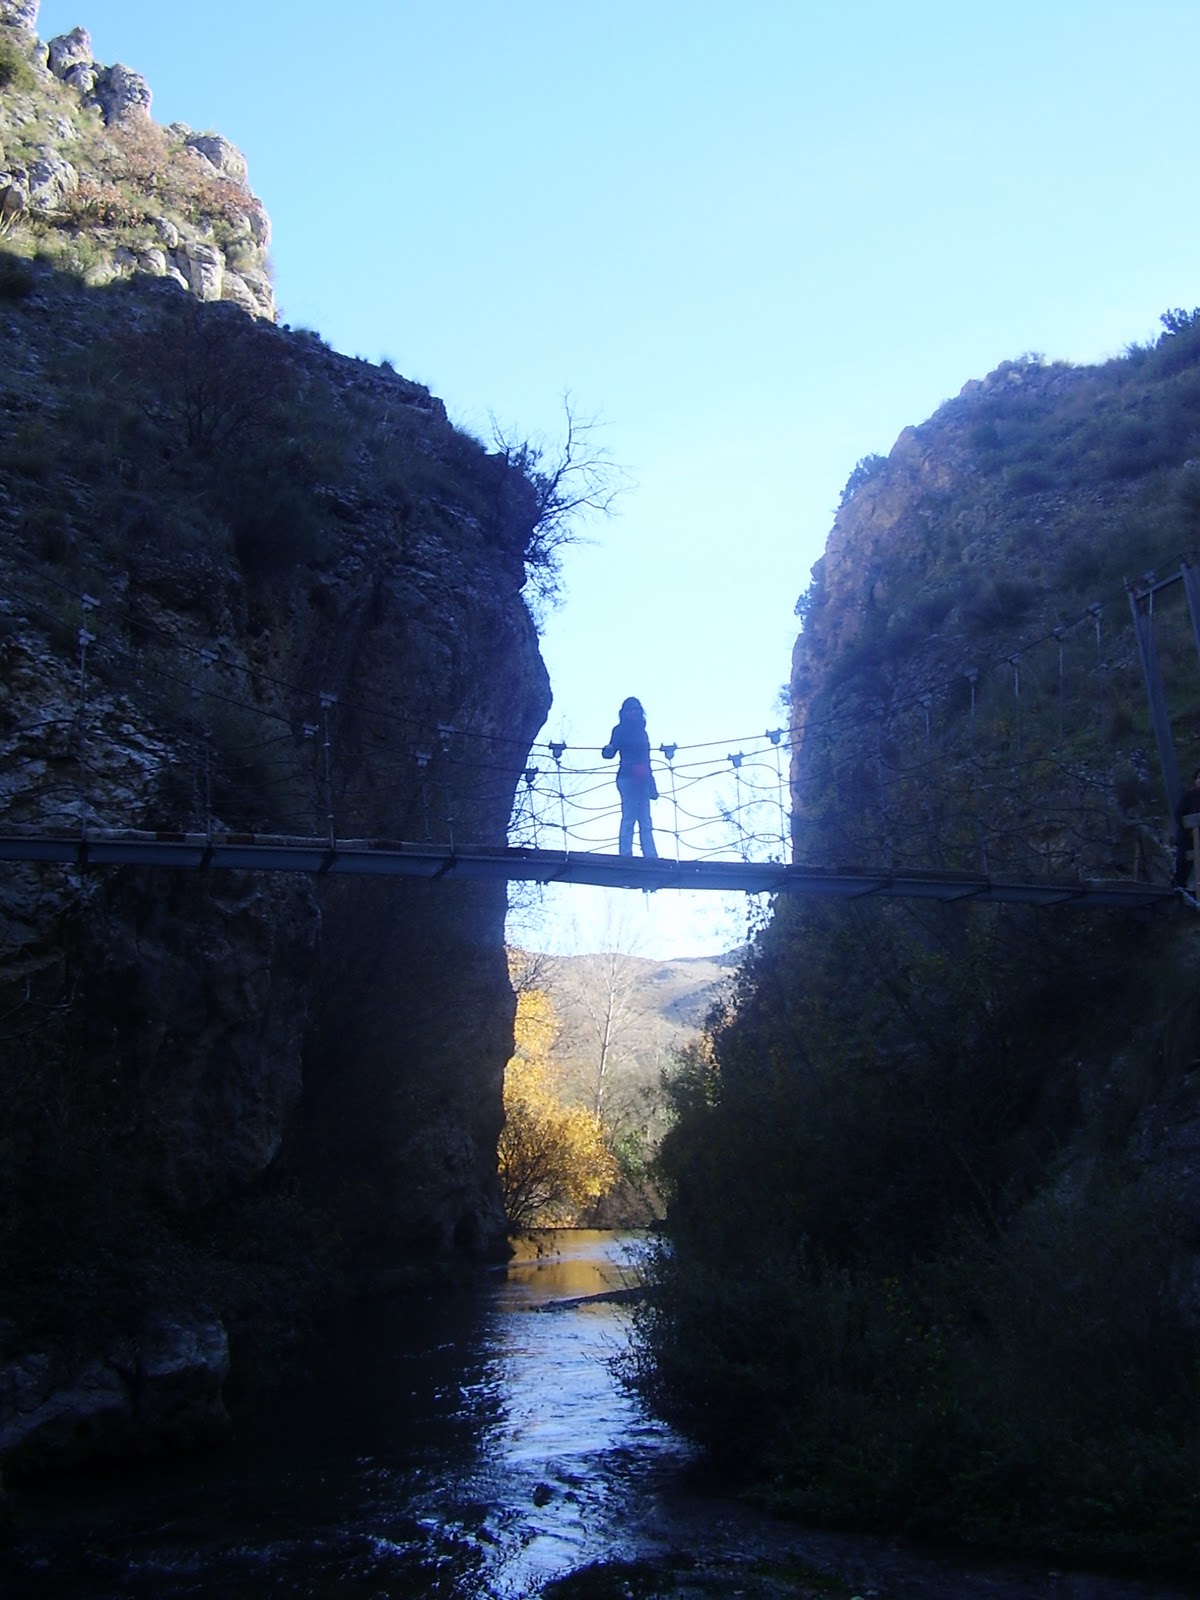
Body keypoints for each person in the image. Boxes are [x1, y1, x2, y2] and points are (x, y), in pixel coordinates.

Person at [602, 696, 659, 858]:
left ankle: (650, 854)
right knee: (630, 816)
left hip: (642, 777)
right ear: (624, 712)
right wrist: (607, 749)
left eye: (636, 709)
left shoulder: (642, 732)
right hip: (628, 777)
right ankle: (626, 854)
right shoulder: (620, 730)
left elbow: (647, 759)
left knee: (645, 818)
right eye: (630, 710)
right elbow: (610, 752)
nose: (633, 712)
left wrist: (652, 785)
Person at [1172, 766, 1200, 891]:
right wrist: (1188, 831)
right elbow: (1179, 815)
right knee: (1183, 861)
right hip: (1188, 838)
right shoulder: (1189, 796)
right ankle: (1178, 888)